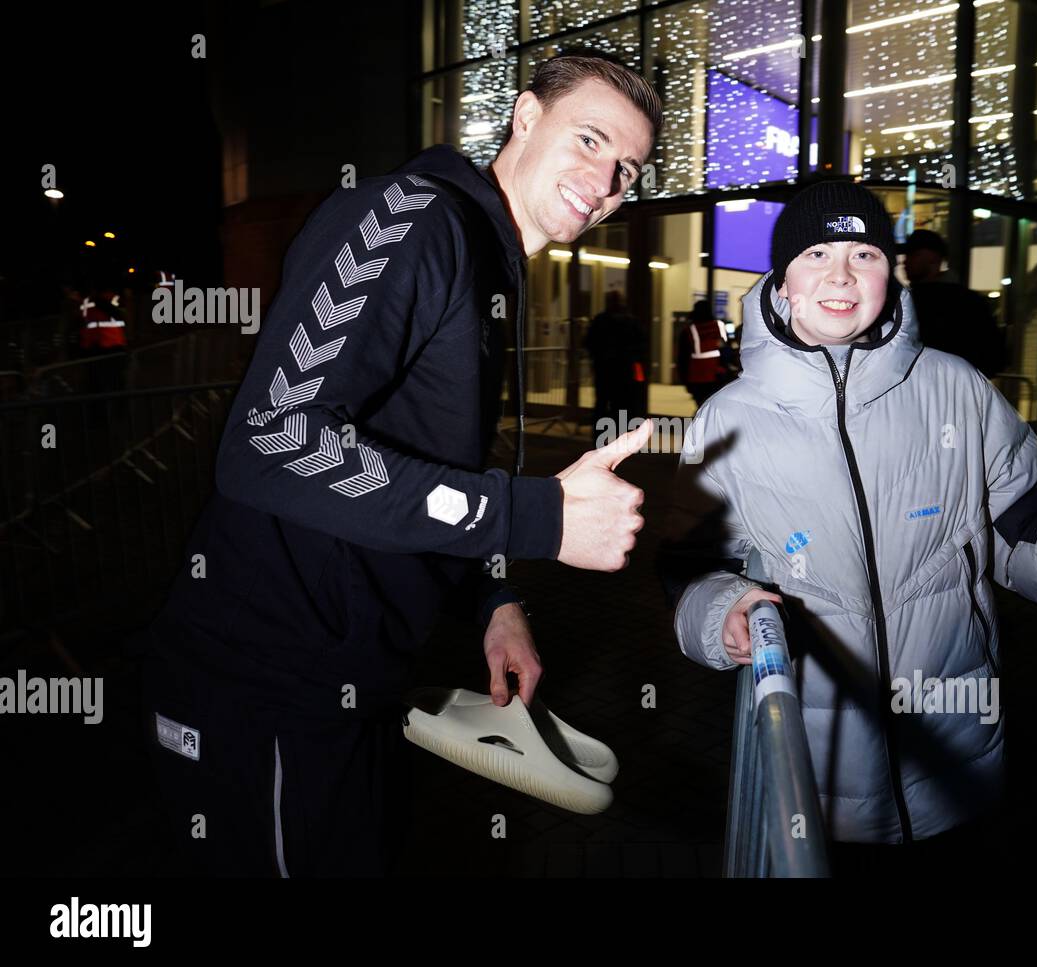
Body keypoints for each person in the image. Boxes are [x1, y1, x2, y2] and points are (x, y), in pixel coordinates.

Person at [130, 51, 661, 876]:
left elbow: (411, 461)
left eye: (628, 168)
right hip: (261, 687)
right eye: (590, 139)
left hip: (356, 685)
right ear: (525, 117)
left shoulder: (484, 262)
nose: (608, 179)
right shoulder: (412, 219)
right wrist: (538, 517)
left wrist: (493, 595)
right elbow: (271, 440)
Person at [659, 181, 1037, 876]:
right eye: (816, 252)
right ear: (781, 283)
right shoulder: (725, 418)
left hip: (954, 770)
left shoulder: (959, 391)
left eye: (864, 253)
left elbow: (1024, 538)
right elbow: (685, 568)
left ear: (890, 275)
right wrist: (720, 613)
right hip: (815, 788)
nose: (841, 273)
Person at [902, 228, 1006, 378]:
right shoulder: (970, 301)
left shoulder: (907, 302)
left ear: (933, 259)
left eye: (914, 255)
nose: (906, 261)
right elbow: (994, 359)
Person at [584, 289, 646, 446]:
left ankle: (599, 437)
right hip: (625, 371)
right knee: (623, 404)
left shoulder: (600, 320)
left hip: (604, 370)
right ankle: (622, 438)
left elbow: (588, 343)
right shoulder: (631, 322)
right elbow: (641, 346)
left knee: (602, 404)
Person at [676, 299, 732, 408]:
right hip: (718, 376)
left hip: (697, 378)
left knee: (702, 407)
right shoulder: (719, 327)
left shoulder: (688, 331)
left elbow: (682, 359)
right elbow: (726, 351)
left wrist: (685, 380)